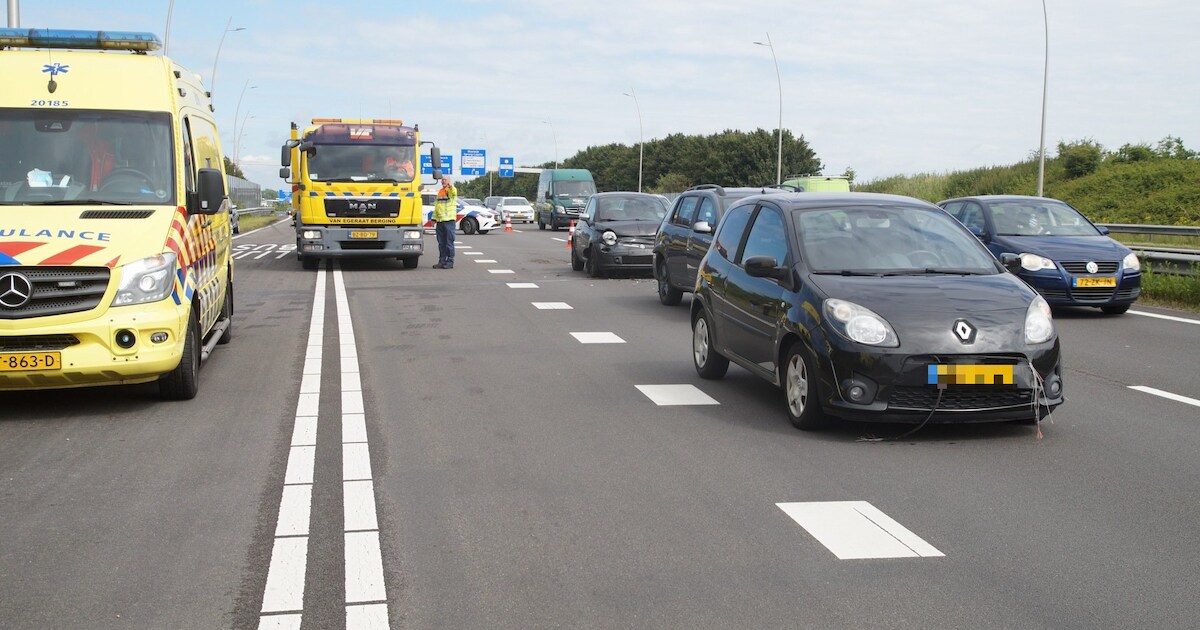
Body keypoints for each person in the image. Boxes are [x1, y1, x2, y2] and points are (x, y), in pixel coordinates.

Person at [432, 175, 458, 269]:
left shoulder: (450, 190)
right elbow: (437, 207)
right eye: (442, 180)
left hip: (449, 221)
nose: (443, 181)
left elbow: (453, 192)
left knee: (449, 243)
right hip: (440, 222)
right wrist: (433, 219)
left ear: (449, 181)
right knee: (441, 243)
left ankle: (450, 262)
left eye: (445, 180)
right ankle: (442, 261)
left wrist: (450, 186)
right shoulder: (440, 192)